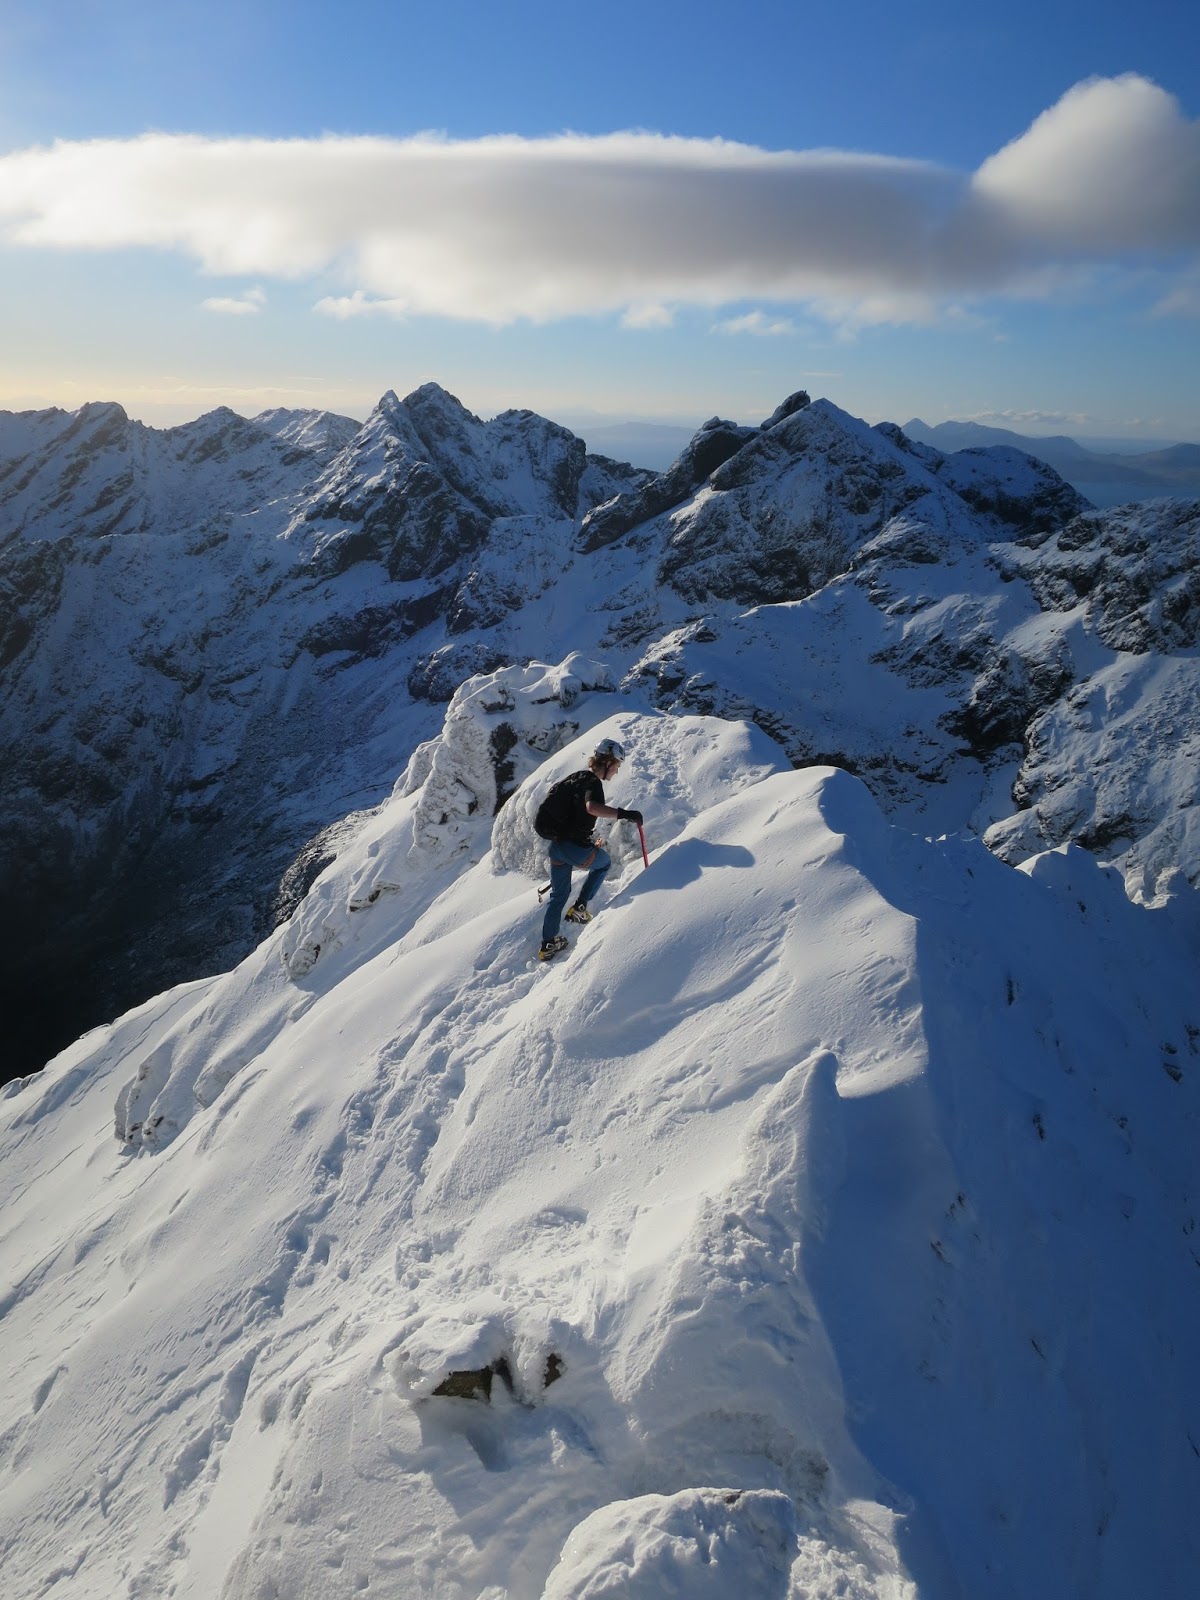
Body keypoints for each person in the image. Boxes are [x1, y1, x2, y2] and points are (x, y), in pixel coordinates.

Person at [536, 737, 643, 961]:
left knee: (558, 896)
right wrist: (625, 814)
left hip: (556, 847)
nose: (616, 772)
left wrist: (585, 840)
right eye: (616, 766)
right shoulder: (593, 783)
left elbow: (574, 817)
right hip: (572, 848)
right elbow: (591, 808)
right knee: (603, 863)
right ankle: (581, 907)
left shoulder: (576, 779)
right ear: (607, 763)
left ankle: (548, 945)